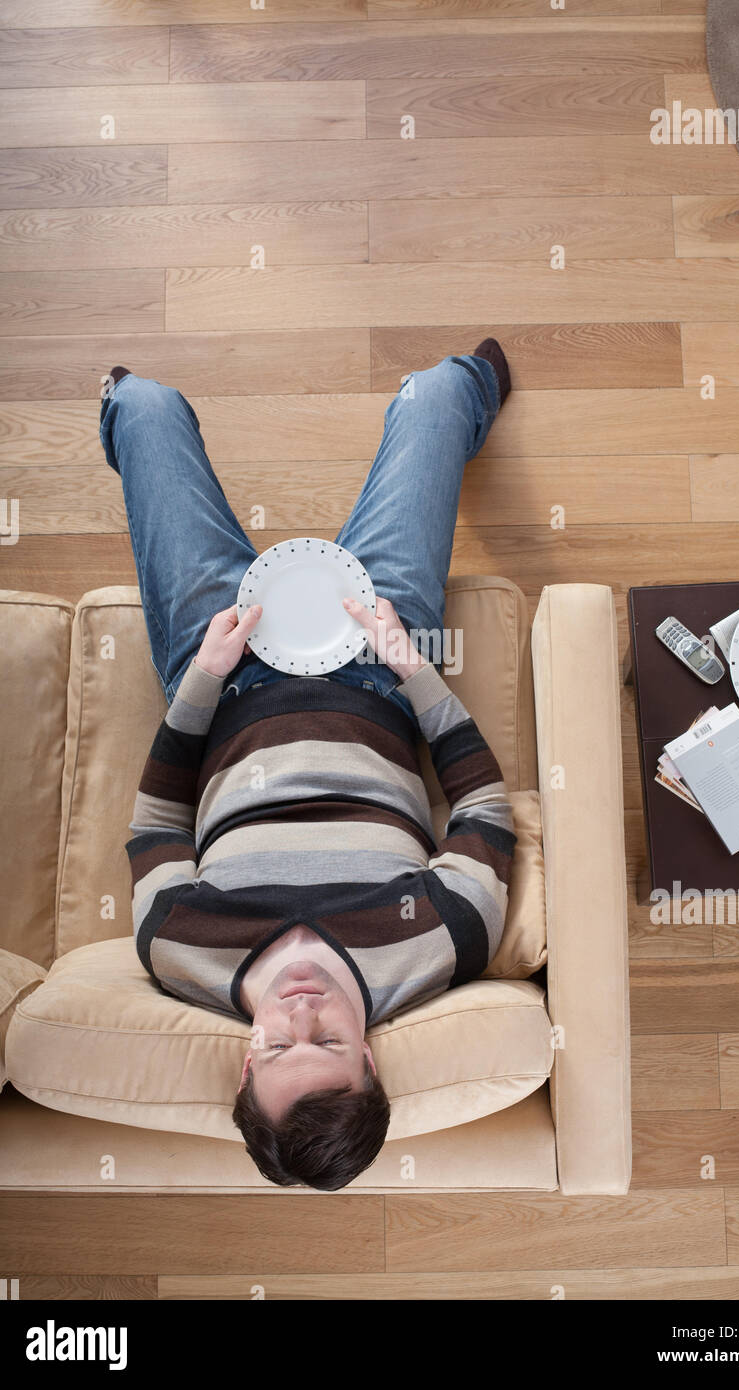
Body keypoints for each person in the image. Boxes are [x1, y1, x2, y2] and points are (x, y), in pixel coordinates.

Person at [98, 341, 516, 1191]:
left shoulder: (178, 953)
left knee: (143, 406)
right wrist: (411, 665)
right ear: (368, 1056)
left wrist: (206, 678)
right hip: (375, 668)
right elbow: (482, 812)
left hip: (220, 674)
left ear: (244, 1068)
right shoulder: (440, 945)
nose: (298, 1009)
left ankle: (115, 410)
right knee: (436, 394)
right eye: (326, 1041)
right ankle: (467, 390)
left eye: (278, 1046)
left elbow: (156, 824)